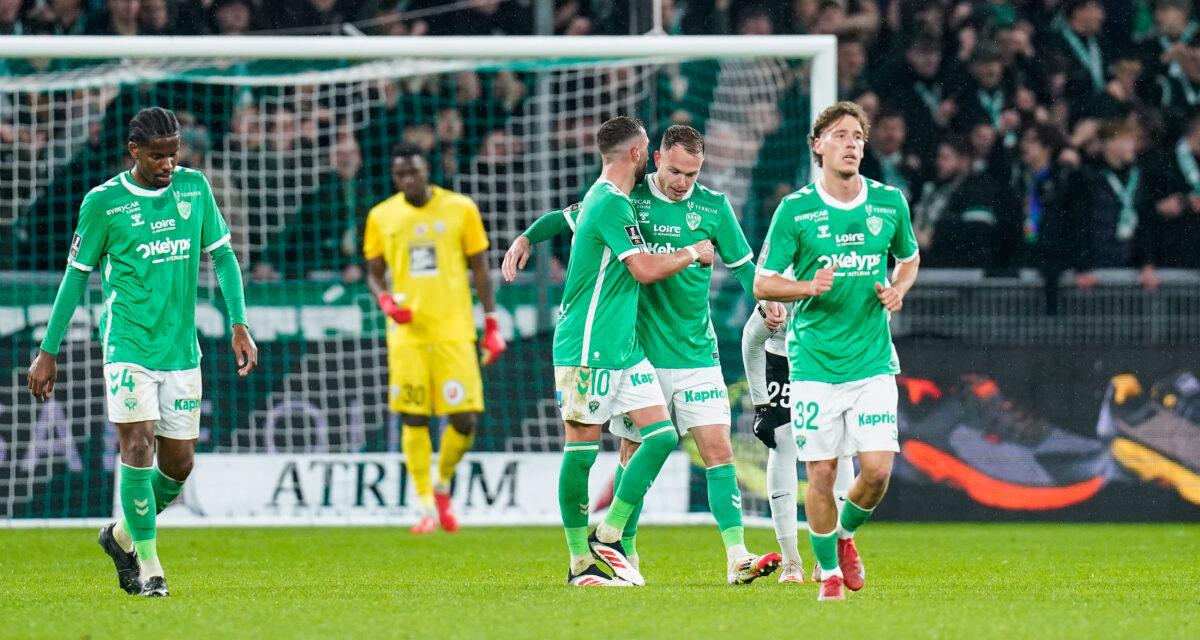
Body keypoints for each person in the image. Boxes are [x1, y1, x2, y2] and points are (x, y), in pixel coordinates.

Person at [504, 124, 785, 585]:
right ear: (654, 159)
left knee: (719, 453)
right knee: (632, 456)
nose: (682, 182)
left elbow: (744, 267)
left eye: (691, 175)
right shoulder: (626, 199)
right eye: (675, 171)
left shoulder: (713, 207)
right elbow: (568, 217)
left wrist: (766, 298)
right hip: (639, 351)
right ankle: (620, 551)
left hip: (697, 352)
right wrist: (527, 237)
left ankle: (736, 556)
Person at [27, 107, 257, 598]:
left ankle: (121, 536)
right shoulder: (104, 203)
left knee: (179, 465)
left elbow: (222, 255)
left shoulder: (194, 189)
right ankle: (150, 565)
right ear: (134, 151)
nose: (168, 165)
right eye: (158, 156)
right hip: (128, 345)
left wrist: (239, 322)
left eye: (174, 154)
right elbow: (75, 278)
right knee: (137, 447)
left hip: (181, 350)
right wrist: (49, 350)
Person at [754, 101, 920, 601]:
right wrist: (806, 287)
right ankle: (828, 573)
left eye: (858, 137)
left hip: (871, 361)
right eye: (842, 135)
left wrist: (898, 289)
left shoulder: (889, 203)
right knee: (822, 473)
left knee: (876, 471)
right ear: (818, 145)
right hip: (814, 364)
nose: (852, 145)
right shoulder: (796, 209)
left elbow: (909, 259)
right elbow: (763, 283)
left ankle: (844, 535)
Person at [539, 115, 714, 587]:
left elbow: (562, 217)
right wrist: (691, 253)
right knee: (581, 454)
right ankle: (579, 562)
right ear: (639, 155)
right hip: (587, 347)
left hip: (625, 347)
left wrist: (523, 238)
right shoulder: (610, 204)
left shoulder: (609, 201)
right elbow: (643, 270)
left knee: (660, 437)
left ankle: (610, 531)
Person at [363, 143, 507, 535]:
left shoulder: (461, 209)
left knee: (464, 418)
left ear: (427, 171)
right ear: (395, 179)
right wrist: (385, 300)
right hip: (408, 335)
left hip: (454, 331)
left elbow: (480, 267)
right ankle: (425, 503)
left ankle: (442, 482)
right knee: (414, 416)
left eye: (414, 171)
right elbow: (373, 271)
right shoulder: (382, 216)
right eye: (401, 174)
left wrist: (491, 322)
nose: (409, 179)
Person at [741, 302, 855, 584]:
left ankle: (832, 555)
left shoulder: (841, 286)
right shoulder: (779, 292)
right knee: (782, 447)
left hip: (828, 365)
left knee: (839, 452)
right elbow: (751, 339)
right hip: (781, 366)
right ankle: (791, 561)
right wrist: (761, 406)